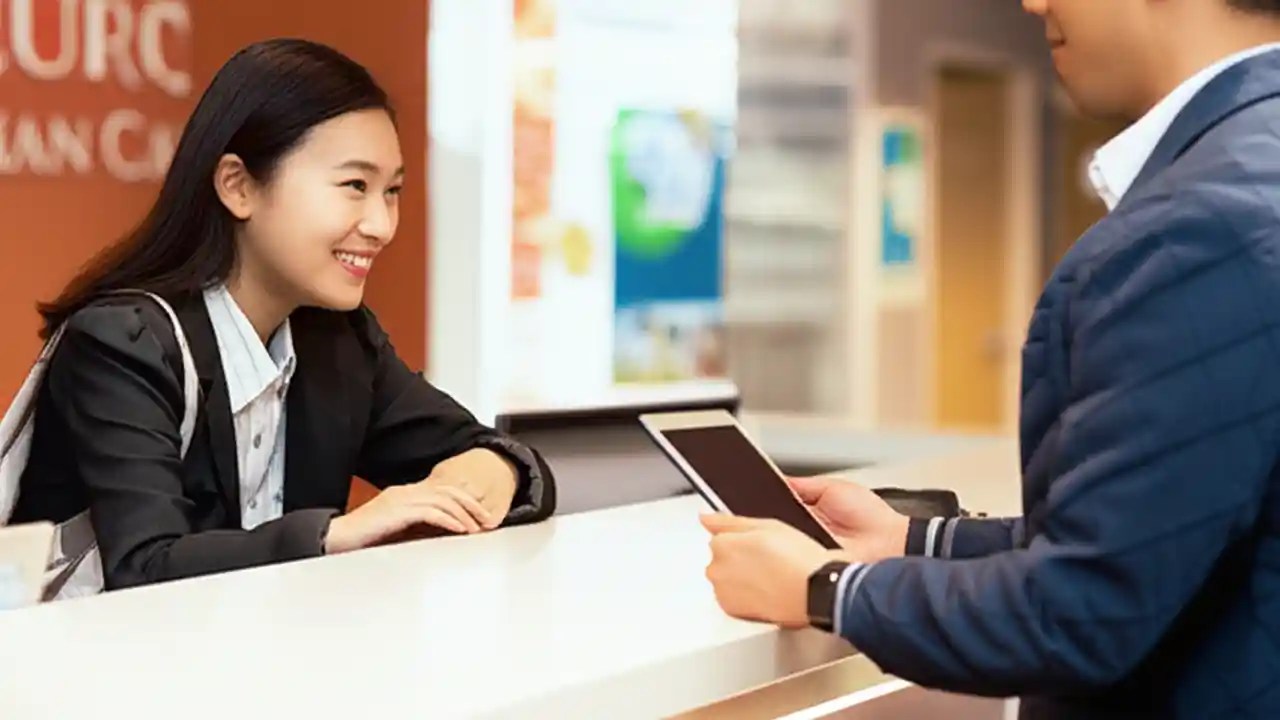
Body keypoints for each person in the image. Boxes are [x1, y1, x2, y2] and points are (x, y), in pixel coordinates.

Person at [701, 1, 1280, 717]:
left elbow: (1083, 610)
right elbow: (1173, 531)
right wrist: (915, 540)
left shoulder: (1206, 225)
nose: (1034, 2)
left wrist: (825, 588)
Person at [10, 39, 555, 592]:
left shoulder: (337, 341)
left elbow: (499, 455)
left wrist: (495, 468)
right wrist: (333, 536)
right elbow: (147, 567)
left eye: (392, 191)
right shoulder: (122, 343)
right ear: (238, 185)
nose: (381, 224)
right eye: (354, 186)